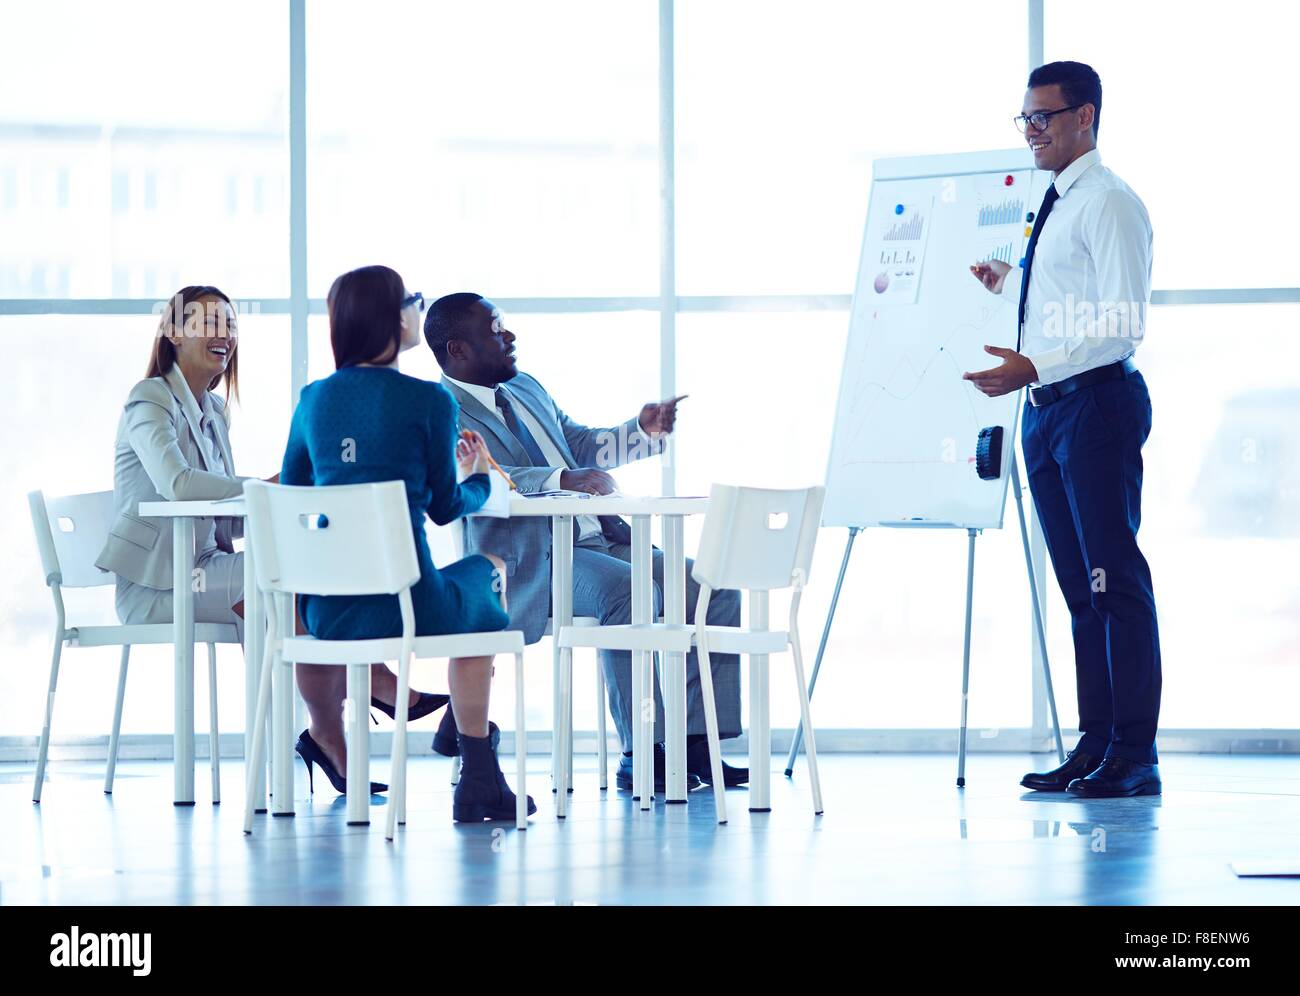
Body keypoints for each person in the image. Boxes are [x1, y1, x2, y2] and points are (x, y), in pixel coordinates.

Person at [98, 285, 425, 798]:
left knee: (299, 571)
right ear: (172, 332)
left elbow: (226, 522)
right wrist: (268, 490)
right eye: (207, 323)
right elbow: (180, 486)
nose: (223, 335)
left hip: (208, 568)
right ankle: (360, 699)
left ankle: (324, 734)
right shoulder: (149, 399)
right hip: (159, 586)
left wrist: (294, 506)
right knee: (278, 580)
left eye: (229, 324)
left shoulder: (215, 412)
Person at [423, 292, 748, 791]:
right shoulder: (439, 411)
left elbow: (579, 446)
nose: (509, 337)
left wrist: (641, 431)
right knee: (629, 592)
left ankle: (695, 745)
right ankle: (643, 751)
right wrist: (562, 479)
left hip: (599, 539)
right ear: (458, 349)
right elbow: (478, 474)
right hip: (531, 560)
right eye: (495, 329)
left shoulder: (526, 388)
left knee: (711, 587)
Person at [965, 61, 1161, 797]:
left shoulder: (1108, 203)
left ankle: (1134, 755)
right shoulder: (1054, 203)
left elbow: (1120, 324)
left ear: (1085, 116)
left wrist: (1034, 366)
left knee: (1116, 584)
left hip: (1096, 408)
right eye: (1025, 119)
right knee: (1080, 590)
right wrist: (1009, 286)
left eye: (1044, 117)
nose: (1032, 131)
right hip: (1047, 413)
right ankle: (1097, 744)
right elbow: (1069, 303)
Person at [281, 266, 532, 823]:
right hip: (412, 603)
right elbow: (445, 508)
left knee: (473, 595)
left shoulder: (312, 401)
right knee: (488, 573)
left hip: (329, 613)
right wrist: (480, 478)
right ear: (395, 318)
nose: (419, 309)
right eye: (413, 301)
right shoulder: (429, 403)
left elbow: (295, 497)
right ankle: (477, 768)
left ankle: (468, 754)